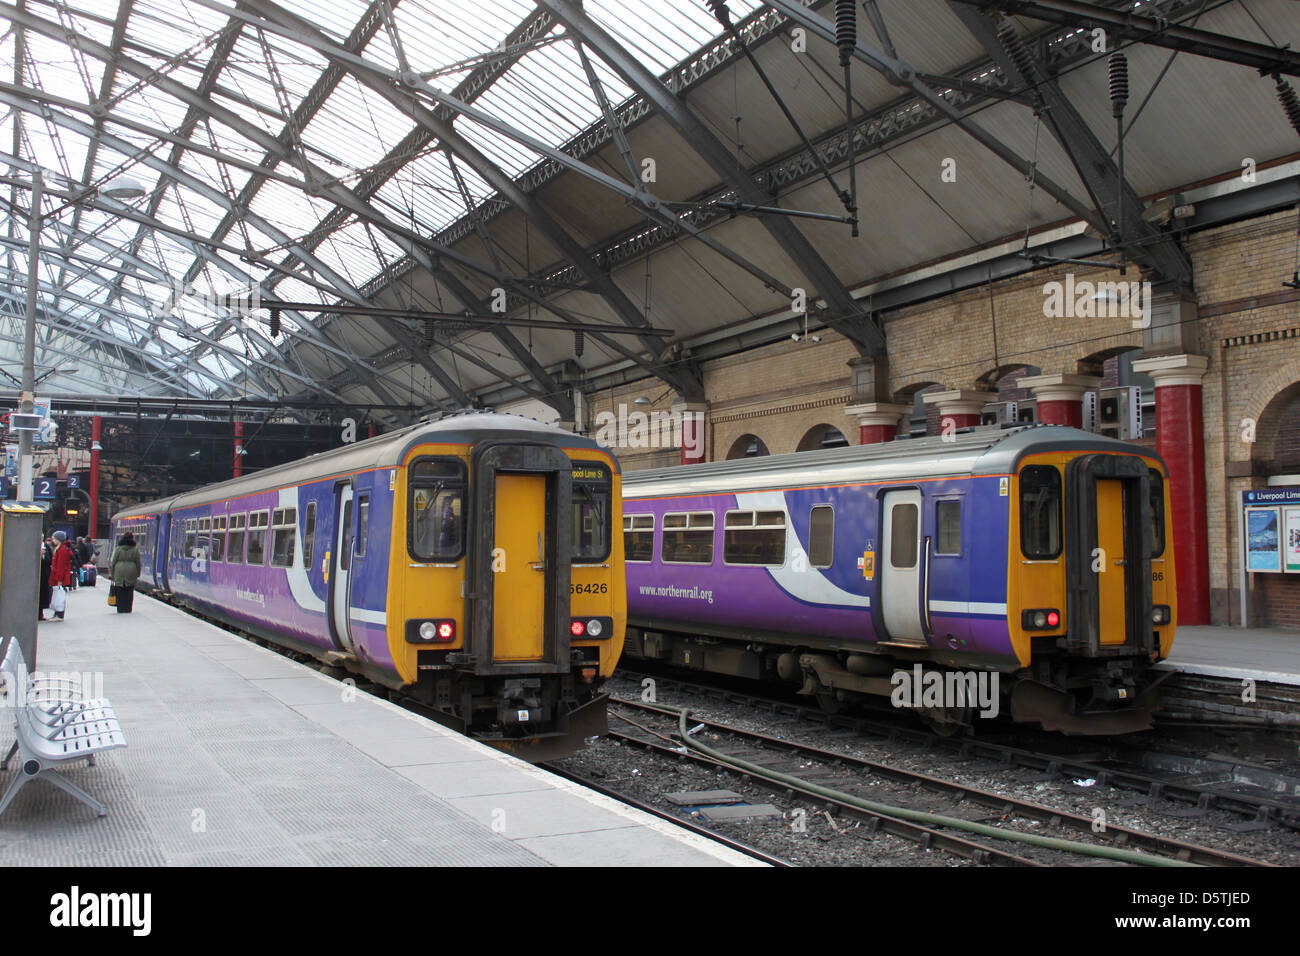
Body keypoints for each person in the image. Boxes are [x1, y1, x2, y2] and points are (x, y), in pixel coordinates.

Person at [110, 532, 141, 614]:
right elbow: (138, 563)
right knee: (129, 590)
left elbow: (113, 562)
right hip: (131, 571)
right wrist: (138, 573)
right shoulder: (135, 549)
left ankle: (120, 608)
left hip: (119, 571)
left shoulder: (118, 549)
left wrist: (112, 574)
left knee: (119, 590)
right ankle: (128, 608)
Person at [48, 530, 74, 620]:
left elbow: (61, 565)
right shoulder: (61, 549)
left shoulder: (61, 550)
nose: (53, 541)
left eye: (54, 539)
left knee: (58, 594)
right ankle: (57, 613)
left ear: (59, 539)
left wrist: (59, 579)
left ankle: (59, 614)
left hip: (59, 576)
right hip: (58, 574)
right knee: (57, 594)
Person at [38, 536, 52, 622]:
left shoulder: (46, 547)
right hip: (36, 574)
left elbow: (50, 560)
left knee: (42, 593)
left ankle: (40, 613)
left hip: (44, 574)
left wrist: (43, 556)